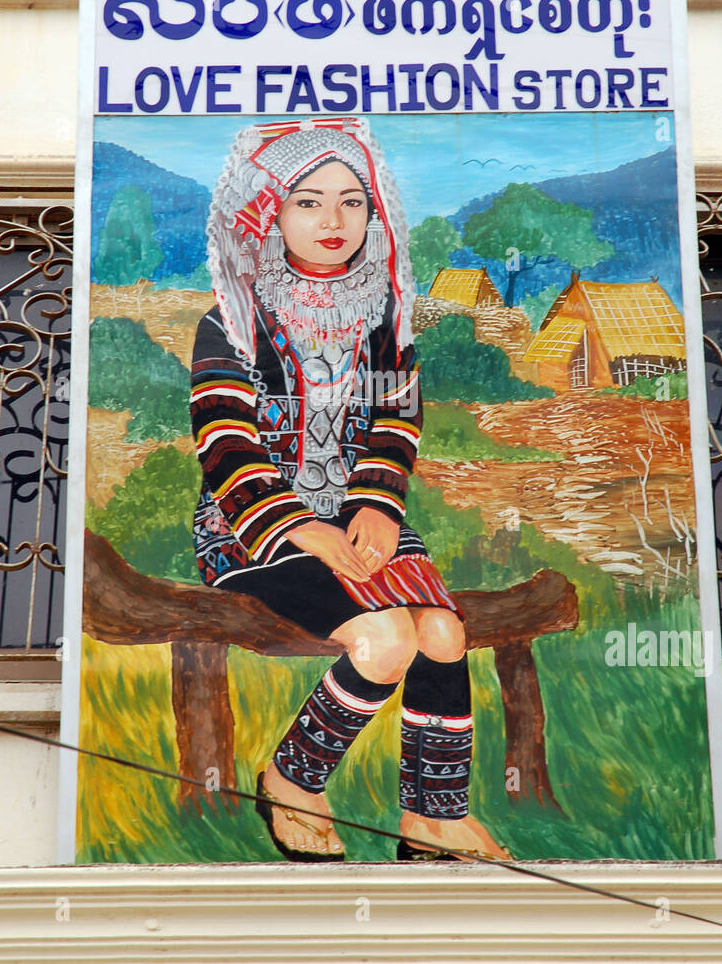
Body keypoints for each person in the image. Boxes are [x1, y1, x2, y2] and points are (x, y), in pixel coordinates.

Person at [190, 115, 510, 863]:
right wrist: (305, 529)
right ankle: (293, 779)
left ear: (376, 210)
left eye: (351, 201)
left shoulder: (385, 320)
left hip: (363, 516)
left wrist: (376, 505)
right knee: (384, 636)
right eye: (307, 202)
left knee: (442, 633)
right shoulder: (232, 322)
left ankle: (432, 820)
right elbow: (225, 444)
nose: (333, 221)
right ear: (268, 211)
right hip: (256, 530)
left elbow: (396, 423)